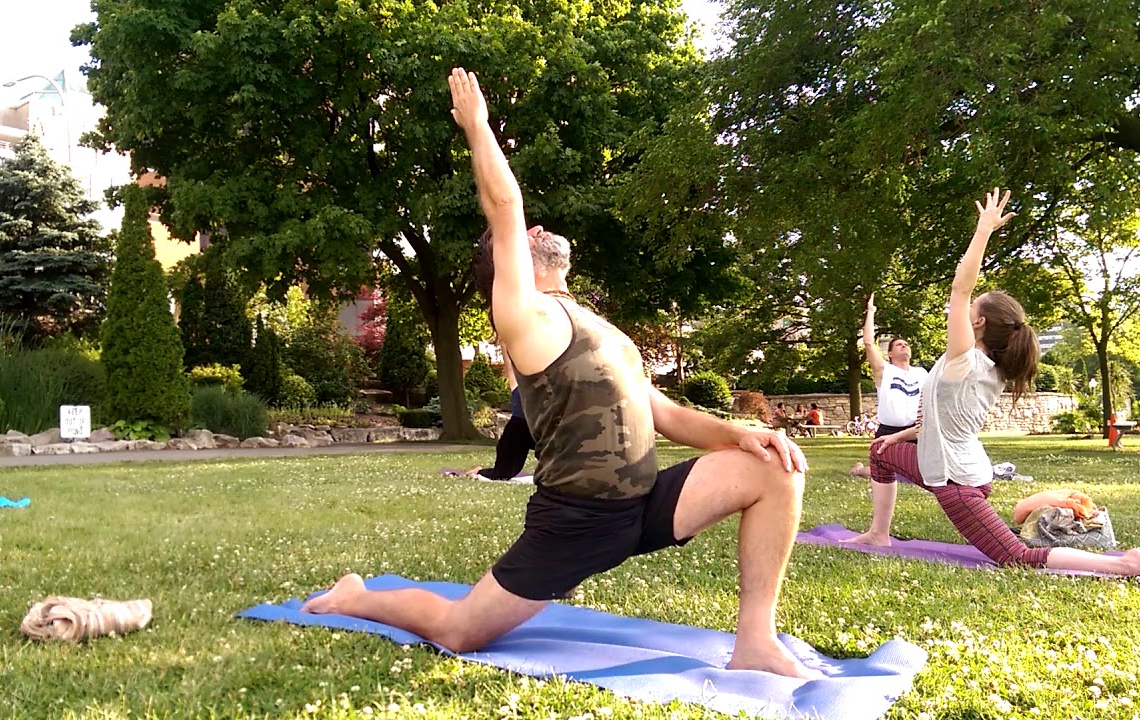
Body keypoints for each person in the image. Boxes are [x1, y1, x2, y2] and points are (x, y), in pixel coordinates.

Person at [307, 68, 816, 678]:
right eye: (522, 237)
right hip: (576, 519)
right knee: (461, 629)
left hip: (645, 505)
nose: (534, 230)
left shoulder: (597, 326)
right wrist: (477, 126)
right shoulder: (524, 318)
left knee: (775, 467)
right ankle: (354, 596)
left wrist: (740, 434)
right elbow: (504, 202)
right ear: (503, 266)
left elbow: (666, 415)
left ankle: (755, 642)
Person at [844, 189, 1140, 576]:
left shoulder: (966, 361)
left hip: (956, 481)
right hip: (954, 464)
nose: (961, 306)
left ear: (977, 323)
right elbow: (944, 420)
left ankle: (1128, 563)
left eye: (972, 306)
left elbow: (960, 288)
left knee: (1017, 558)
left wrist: (983, 231)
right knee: (879, 452)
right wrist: (898, 437)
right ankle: (878, 533)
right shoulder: (985, 368)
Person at [850, 294, 929, 477]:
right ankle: (860, 470)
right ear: (890, 354)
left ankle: (864, 469)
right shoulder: (884, 371)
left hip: (915, 432)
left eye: (906, 344)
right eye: (899, 345)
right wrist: (870, 311)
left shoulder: (921, 373)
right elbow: (869, 342)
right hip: (888, 431)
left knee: (921, 473)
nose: (904, 346)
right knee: (889, 474)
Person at [465, 347, 535, 481]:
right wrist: (503, 342)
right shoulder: (517, 387)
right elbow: (509, 365)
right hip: (519, 430)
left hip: (542, 430)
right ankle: (479, 471)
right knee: (501, 474)